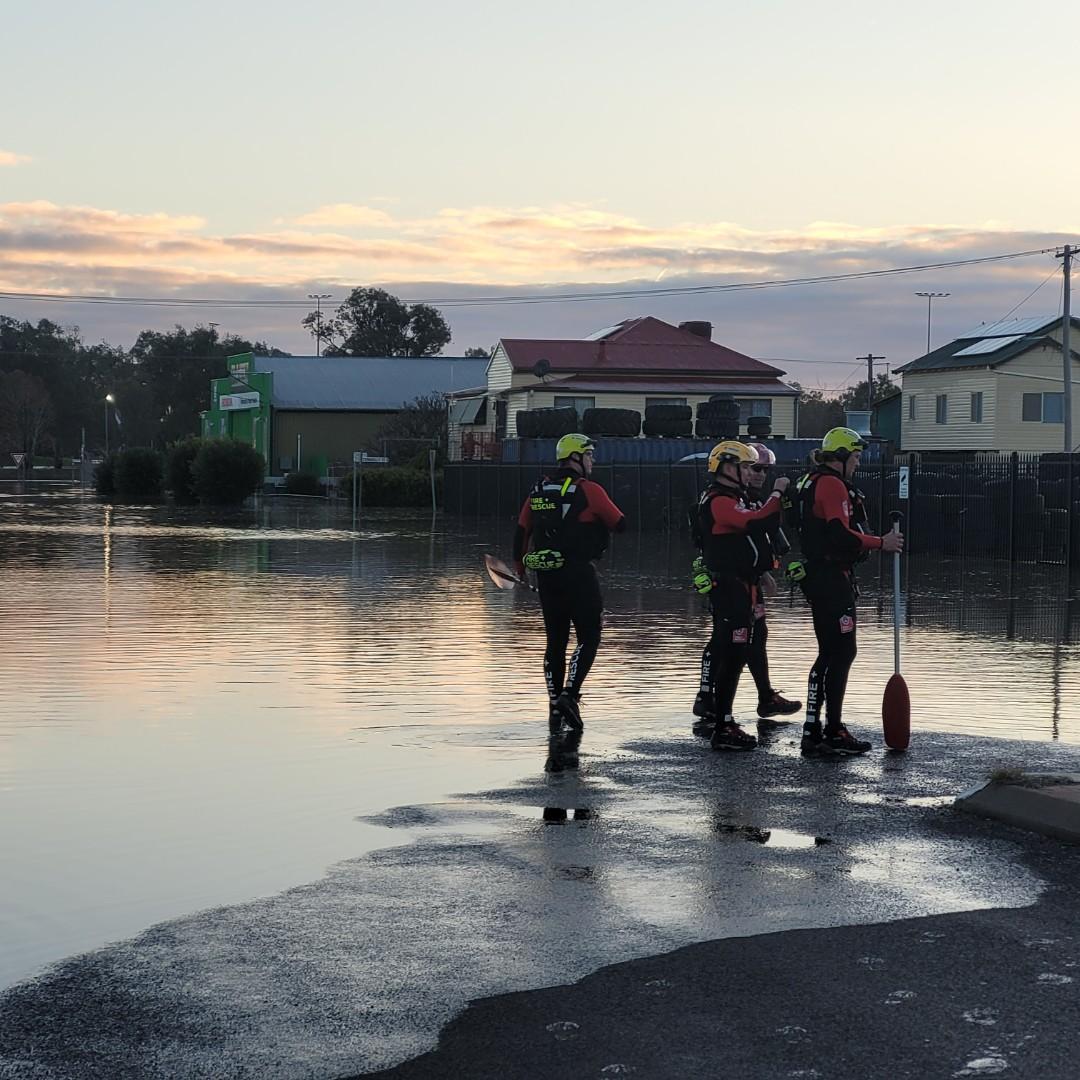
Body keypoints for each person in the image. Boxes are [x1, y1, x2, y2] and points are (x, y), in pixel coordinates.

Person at [790, 427, 903, 756]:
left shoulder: (813, 480)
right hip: (829, 577)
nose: (857, 464)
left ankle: (816, 729)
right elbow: (840, 534)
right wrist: (882, 543)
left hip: (824, 575)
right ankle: (830, 730)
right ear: (839, 457)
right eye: (854, 457)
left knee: (832, 652)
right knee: (839, 653)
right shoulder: (830, 483)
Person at [513, 433, 626, 758]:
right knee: (589, 637)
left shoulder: (538, 491)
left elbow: (522, 530)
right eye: (589, 456)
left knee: (555, 642)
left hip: (546, 576)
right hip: (579, 573)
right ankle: (570, 695)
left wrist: (519, 566)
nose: (592, 462)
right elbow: (619, 523)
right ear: (576, 458)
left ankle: (554, 705)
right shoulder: (589, 490)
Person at [690, 441, 790, 751]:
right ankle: (723, 723)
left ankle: (726, 720)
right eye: (746, 467)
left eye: (753, 467)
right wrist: (778, 493)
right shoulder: (719, 500)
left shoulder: (735, 497)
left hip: (744, 585)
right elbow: (754, 521)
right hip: (730, 587)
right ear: (727, 468)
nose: (750, 473)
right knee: (730, 654)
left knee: (739, 649)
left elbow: (762, 526)